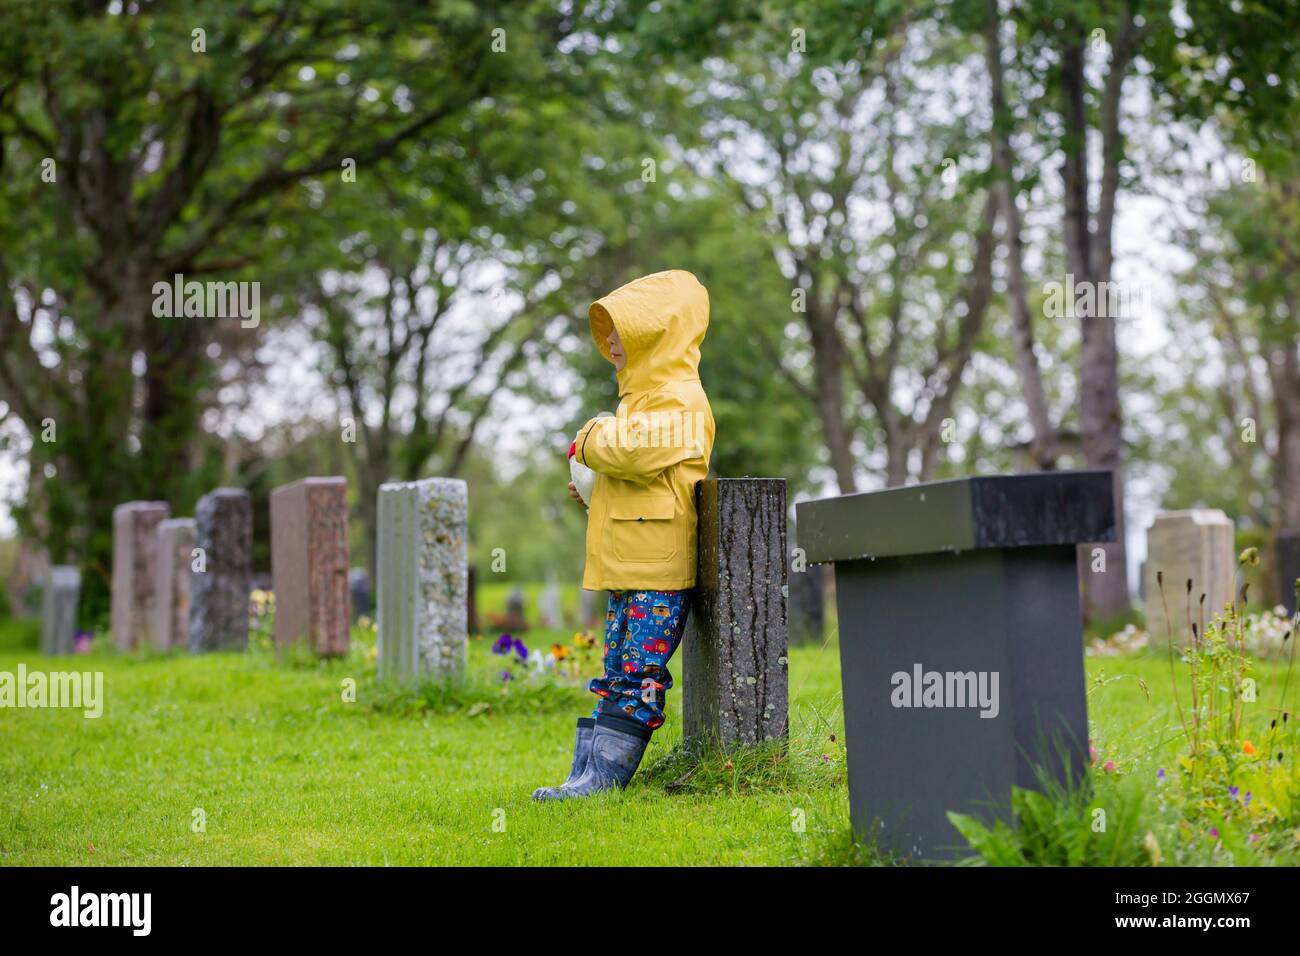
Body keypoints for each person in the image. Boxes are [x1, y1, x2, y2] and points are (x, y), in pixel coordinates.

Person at [533, 270, 715, 802]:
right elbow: (648, 478)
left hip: (659, 568)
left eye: (623, 332)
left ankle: (604, 782)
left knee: (640, 669)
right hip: (635, 560)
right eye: (609, 331)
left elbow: (634, 453)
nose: (610, 342)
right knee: (616, 664)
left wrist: (588, 436)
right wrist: (597, 493)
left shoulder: (682, 399)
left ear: (657, 335)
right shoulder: (643, 399)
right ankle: (586, 775)